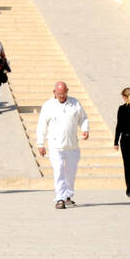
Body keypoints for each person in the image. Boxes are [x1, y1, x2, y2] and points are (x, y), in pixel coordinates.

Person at [36, 81, 89, 209]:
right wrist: (40, 143)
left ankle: (68, 196)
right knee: (58, 170)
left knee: (70, 173)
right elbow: (41, 125)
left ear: (67, 91)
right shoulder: (48, 106)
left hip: (72, 146)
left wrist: (85, 129)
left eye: (64, 93)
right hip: (55, 146)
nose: (61, 96)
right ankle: (60, 198)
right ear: (54, 92)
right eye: (59, 93)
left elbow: (83, 118)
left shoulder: (75, 103)